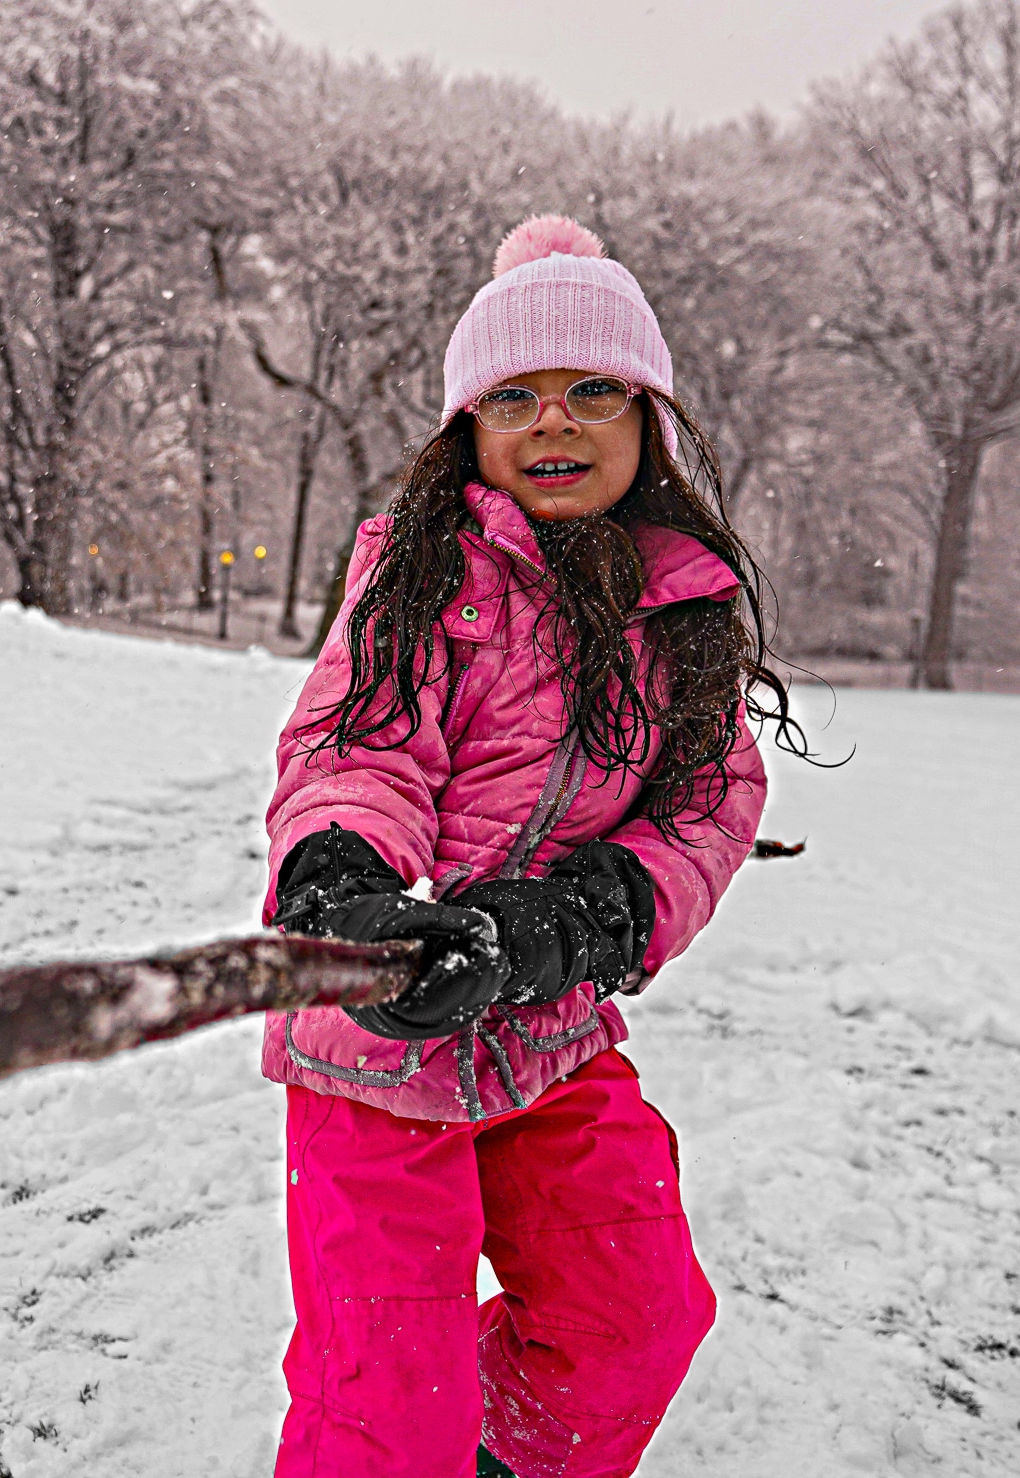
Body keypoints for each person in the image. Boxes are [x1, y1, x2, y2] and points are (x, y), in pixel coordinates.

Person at [261, 215, 804, 1477]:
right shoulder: (421, 574)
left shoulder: (678, 608)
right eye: (513, 396)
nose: (551, 421)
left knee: (634, 1319)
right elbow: (355, 745)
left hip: (548, 1029)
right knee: (390, 1399)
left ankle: (501, 1458)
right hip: (374, 1050)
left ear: (647, 418)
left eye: (589, 390)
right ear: (469, 427)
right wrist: (343, 885)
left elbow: (708, 803)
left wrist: (593, 911)